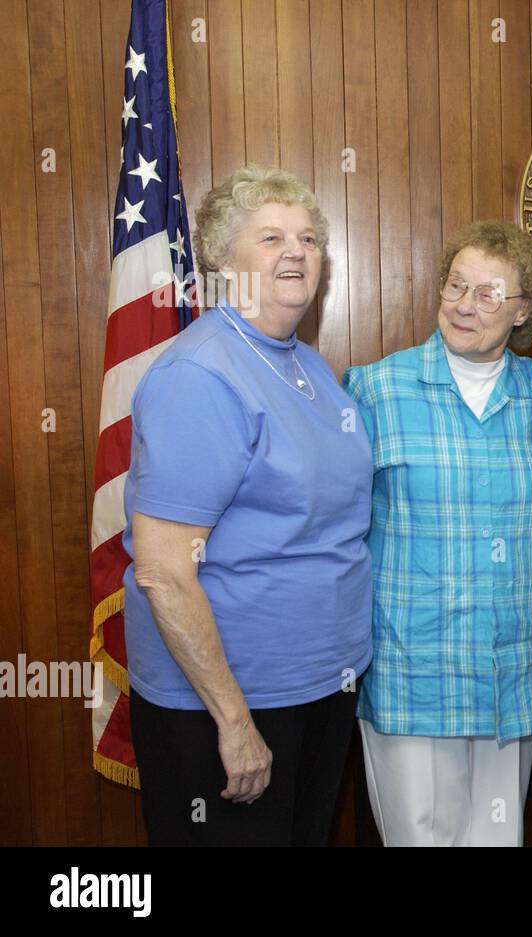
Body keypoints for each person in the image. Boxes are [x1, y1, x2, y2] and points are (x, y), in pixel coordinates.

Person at [124, 165, 373, 846]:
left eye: (308, 237)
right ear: (222, 261)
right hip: (234, 702)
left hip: (318, 685)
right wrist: (233, 721)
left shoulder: (306, 364)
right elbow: (164, 571)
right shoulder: (199, 375)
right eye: (269, 237)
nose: (296, 250)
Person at [343, 221, 532, 847]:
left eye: (490, 294)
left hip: (508, 671)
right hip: (413, 673)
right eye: (456, 286)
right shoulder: (376, 389)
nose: (466, 305)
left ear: (522, 312)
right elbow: (341, 533)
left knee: (497, 838)